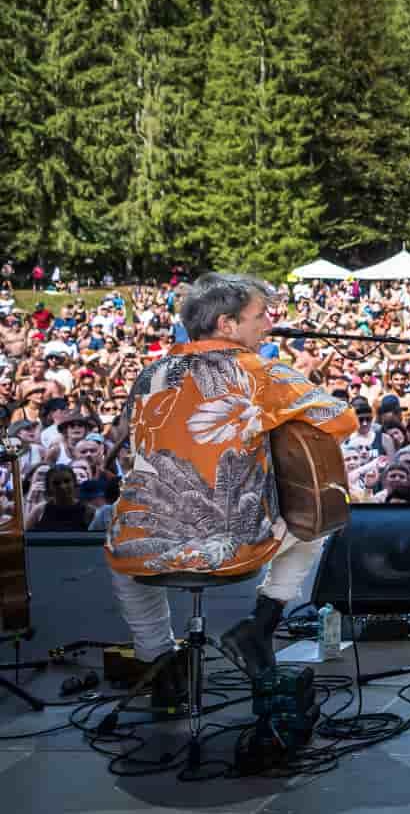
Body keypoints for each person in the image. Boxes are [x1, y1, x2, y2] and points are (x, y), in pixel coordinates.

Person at [104, 273, 357, 706]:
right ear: (227, 324)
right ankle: (258, 628)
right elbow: (343, 421)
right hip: (229, 546)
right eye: (260, 316)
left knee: (125, 560)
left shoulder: (151, 373)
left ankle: (160, 662)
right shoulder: (259, 371)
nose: (268, 325)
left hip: (141, 546)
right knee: (315, 522)